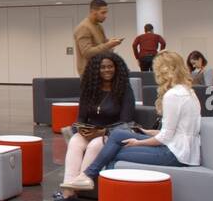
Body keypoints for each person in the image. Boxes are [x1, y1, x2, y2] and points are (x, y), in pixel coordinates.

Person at [62, 51, 201, 191]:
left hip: (174, 152)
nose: (155, 73)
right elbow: (174, 131)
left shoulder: (173, 95)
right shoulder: (187, 91)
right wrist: (147, 132)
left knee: (111, 153)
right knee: (115, 137)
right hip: (179, 148)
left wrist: (139, 142)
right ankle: (81, 180)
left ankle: (91, 184)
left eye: (156, 69)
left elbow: (166, 136)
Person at [52, 52, 135, 201]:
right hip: (91, 131)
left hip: (112, 133)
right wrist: (81, 129)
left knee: (94, 145)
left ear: (117, 68)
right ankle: (70, 185)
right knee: (75, 141)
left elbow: (126, 123)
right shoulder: (89, 88)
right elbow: (81, 118)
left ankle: (71, 190)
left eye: (110, 66)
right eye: (102, 67)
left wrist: (102, 132)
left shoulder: (124, 89)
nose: (107, 70)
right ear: (96, 70)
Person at [73, 0, 124, 76]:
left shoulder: (98, 26)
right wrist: (109, 45)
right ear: (93, 12)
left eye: (106, 13)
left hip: (100, 70)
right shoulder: (84, 27)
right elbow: (87, 52)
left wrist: (111, 42)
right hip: (90, 73)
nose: (105, 16)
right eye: (103, 13)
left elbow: (101, 43)